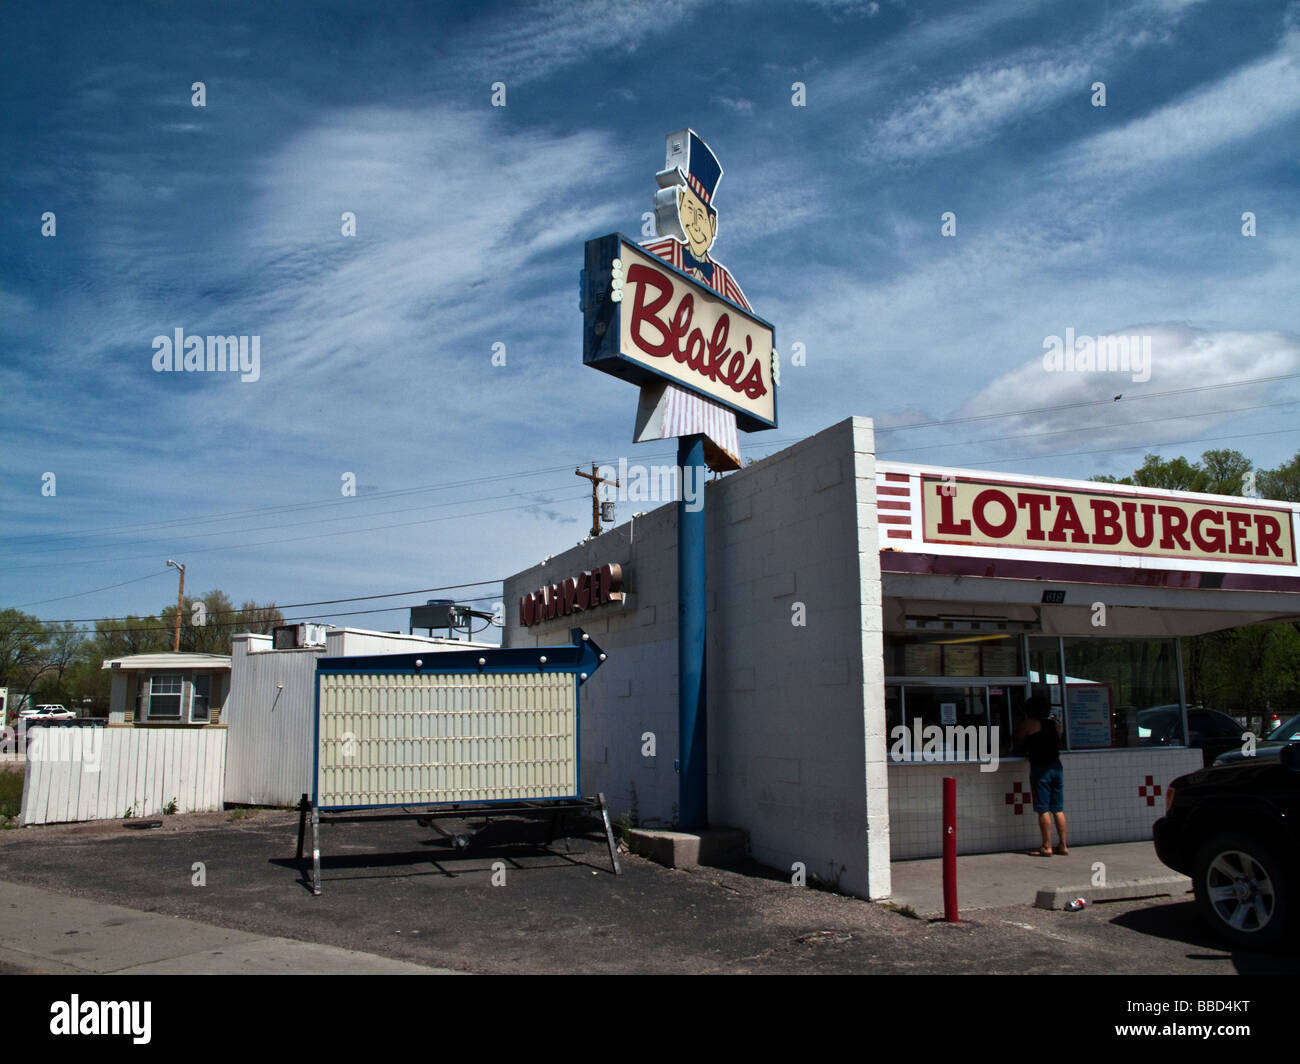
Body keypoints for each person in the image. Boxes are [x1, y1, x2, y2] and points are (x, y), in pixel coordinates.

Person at [1015, 695, 1067, 855]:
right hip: (1056, 768)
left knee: (1043, 809)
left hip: (1040, 769)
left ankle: (1046, 846)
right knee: (1058, 809)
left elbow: (1018, 739)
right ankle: (1063, 845)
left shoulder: (1029, 724)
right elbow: (1059, 739)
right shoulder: (1055, 725)